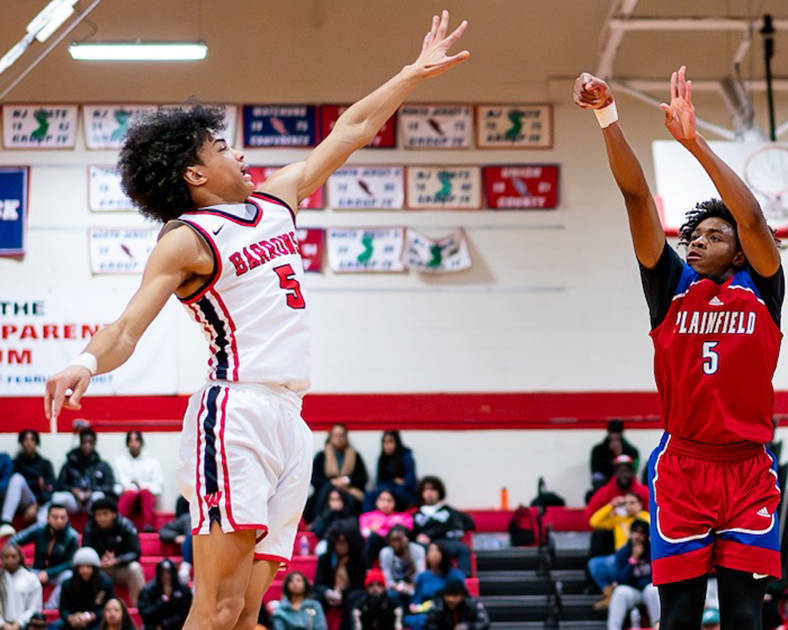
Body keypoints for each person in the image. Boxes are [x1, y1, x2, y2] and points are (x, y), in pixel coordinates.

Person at [41, 12, 469, 630]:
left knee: (245, 610)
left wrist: (411, 74)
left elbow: (351, 129)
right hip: (234, 413)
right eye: (221, 149)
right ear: (194, 175)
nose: (238, 153)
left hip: (291, 420)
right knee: (216, 606)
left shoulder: (276, 201)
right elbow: (127, 327)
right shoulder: (187, 239)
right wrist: (85, 361)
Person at [575, 65, 785, 630]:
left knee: (745, 617)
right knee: (678, 619)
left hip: (747, 470)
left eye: (714, 236)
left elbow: (752, 218)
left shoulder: (762, 287)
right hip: (682, 468)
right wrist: (606, 116)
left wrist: (695, 144)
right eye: (693, 235)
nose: (696, 241)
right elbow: (636, 196)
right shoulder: (670, 285)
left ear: (739, 253)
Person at [81, 498, 144, 605]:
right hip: (100, 569)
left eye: (105, 514)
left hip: (121, 567)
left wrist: (118, 560)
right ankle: (91, 608)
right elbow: (86, 553)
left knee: (135, 568)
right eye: (98, 515)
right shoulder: (89, 528)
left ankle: (140, 607)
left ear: (114, 514)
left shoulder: (126, 525)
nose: (101, 518)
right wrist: (97, 562)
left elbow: (135, 552)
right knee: (85, 570)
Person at [13, 503, 79, 603]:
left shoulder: (72, 536)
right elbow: (16, 539)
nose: (59, 521)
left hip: (57, 573)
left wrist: (49, 573)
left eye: (63, 518)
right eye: (55, 517)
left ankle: (51, 606)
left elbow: (71, 563)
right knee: (18, 575)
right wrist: (16, 554)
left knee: (68, 576)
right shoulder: (39, 529)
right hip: (36, 570)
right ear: (48, 518)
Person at [587, 493, 649, 593]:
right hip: (620, 556)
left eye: (632, 503)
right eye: (625, 503)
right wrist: (611, 505)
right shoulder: (619, 519)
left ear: (640, 504)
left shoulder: (646, 518)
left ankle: (620, 587)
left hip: (642, 556)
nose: (628, 506)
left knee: (614, 563)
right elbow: (594, 522)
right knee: (595, 563)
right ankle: (609, 593)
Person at [412, 477, 475, 576]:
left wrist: (430, 534)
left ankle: (463, 579)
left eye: (432, 489)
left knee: (462, 548)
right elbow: (411, 531)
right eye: (425, 489)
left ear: (439, 492)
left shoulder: (449, 512)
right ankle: (420, 578)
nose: (429, 493)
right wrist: (417, 537)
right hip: (423, 545)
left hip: (445, 542)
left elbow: (468, 524)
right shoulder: (416, 514)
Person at [308, 424, 369, 522]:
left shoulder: (355, 456)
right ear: (330, 437)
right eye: (336, 435)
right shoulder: (321, 456)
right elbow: (314, 479)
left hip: (349, 490)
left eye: (341, 435)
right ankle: (317, 523)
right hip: (326, 491)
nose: (339, 439)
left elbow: (363, 478)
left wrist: (346, 480)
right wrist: (332, 482)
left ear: (346, 437)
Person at [605, 519, 659, 630]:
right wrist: (633, 560)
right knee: (620, 592)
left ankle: (659, 626)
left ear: (647, 536)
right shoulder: (623, 552)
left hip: (647, 588)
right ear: (630, 533)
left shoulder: (653, 551)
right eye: (635, 532)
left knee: (653, 590)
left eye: (642, 533)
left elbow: (656, 576)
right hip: (632, 591)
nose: (638, 536)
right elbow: (620, 579)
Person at [48, 430, 114, 517]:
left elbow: (109, 487)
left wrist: (91, 491)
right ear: (80, 443)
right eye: (84, 442)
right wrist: (73, 490)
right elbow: (59, 485)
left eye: (90, 443)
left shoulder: (102, 465)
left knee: (98, 496)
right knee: (57, 497)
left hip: (91, 501)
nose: (87, 445)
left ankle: (96, 522)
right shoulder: (69, 463)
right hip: (74, 501)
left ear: (95, 444)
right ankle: (59, 522)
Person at [313, 522, 366, 627]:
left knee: (356, 597)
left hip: (349, 594)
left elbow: (360, 585)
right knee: (315, 599)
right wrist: (327, 592)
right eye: (339, 542)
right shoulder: (326, 558)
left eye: (345, 542)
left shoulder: (359, 559)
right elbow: (317, 584)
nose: (341, 546)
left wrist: (342, 594)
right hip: (330, 594)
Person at [112, 430, 164, 532]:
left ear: (141, 443)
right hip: (128, 497)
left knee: (145, 493)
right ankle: (118, 525)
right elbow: (115, 486)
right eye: (131, 441)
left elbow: (159, 487)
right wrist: (126, 489)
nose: (134, 444)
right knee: (130, 494)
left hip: (145, 500)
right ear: (127, 444)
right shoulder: (120, 461)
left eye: (136, 440)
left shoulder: (152, 462)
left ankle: (148, 526)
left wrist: (140, 486)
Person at [407, 543, 467, 630]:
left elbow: (461, 598)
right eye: (431, 551)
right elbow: (417, 598)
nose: (433, 554)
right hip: (425, 612)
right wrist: (414, 605)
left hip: (447, 612)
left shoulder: (456, 575)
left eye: (437, 551)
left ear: (444, 554)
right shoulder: (422, 577)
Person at [52, 548, 114, 630]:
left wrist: (91, 615)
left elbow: (108, 607)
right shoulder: (67, 584)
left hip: (96, 621)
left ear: (94, 568)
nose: (85, 570)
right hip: (73, 621)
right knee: (54, 626)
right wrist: (70, 617)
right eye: (81, 567)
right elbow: (63, 609)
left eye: (88, 566)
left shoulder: (105, 583)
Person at [584, 456, 648, 520]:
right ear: (615, 473)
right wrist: (610, 507)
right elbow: (589, 517)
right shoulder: (604, 493)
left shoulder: (644, 491)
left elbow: (652, 516)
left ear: (632, 472)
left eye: (627, 470)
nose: (623, 474)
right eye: (620, 471)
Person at [358, 490, 411, 564]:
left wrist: (379, 528)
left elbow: (407, 531)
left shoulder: (404, 516)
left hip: (395, 546)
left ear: (395, 502)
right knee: (373, 537)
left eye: (389, 500)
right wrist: (389, 526)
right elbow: (365, 533)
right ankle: (367, 568)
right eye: (382, 500)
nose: (385, 504)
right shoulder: (366, 516)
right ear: (376, 501)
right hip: (376, 545)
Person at [378, 525, 424, 608]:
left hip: (414, 584)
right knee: (391, 595)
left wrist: (407, 553)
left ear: (406, 539)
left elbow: (421, 574)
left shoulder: (417, 550)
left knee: (421, 591)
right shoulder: (385, 553)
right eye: (393, 540)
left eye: (399, 539)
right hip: (395, 586)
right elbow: (387, 579)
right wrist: (396, 586)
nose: (396, 543)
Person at [13, 431, 55, 524]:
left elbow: (51, 488)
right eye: (25, 440)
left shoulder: (45, 464)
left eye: (32, 440)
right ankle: (5, 522)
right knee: (17, 478)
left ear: (36, 443)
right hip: (23, 502)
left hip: (41, 502)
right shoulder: (15, 464)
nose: (29, 443)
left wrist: (36, 505)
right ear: (21, 443)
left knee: (43, 523)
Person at [368, 431, 417, 510]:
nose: (388, 446)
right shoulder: (382, 458)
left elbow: (410, 482)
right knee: (369, 495)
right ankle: (369, 517)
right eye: (385, 442)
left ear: (397, 443)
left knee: (398, 492)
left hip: (403, 491)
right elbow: (379, 482)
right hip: (386, 489)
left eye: (390, 442)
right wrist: (394, 481)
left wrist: (392, 484)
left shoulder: (406, 457)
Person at [139, 559, 192, 630]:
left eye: (168, 573)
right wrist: (161, 601)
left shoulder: (183, 590)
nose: (166, 576)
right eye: (162, 573)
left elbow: (185, 613)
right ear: (158, 574)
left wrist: (164, 625)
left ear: (173, 573)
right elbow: (145, 614)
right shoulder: (148, 590)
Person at [589, 420, 640, 492]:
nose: (615, 435)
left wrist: (619, 454)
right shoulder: (598, 450)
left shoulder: (632, 451)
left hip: (624, 482)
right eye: (613, 432)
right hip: (604, 482)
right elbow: (595, 470)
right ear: (608, 433)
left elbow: (633, 471)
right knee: (597, 477)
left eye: (617, 432)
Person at [0, 542, 42, 630]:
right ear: (2, 559)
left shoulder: (31, 578)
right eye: (6, 557)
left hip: (24, 625)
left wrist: (19, 623)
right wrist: (2, 624)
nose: (10, 560)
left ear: (20, 557)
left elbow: (34, 607)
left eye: (13, 556)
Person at [423, 579, 489, 630]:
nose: (451, 599)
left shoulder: (472, 603)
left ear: (462, 596)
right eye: (448, 595)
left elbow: (484, 622)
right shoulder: (437, 604)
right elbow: (430, 625)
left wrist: (468, 626)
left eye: (455, 596)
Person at [0, 453, 37, 529]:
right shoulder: (17, 462)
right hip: (8, 499)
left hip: (30, 499)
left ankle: (5, 522)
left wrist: (37, 504)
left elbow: (6, 481)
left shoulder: (4, 458)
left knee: (17, 479)